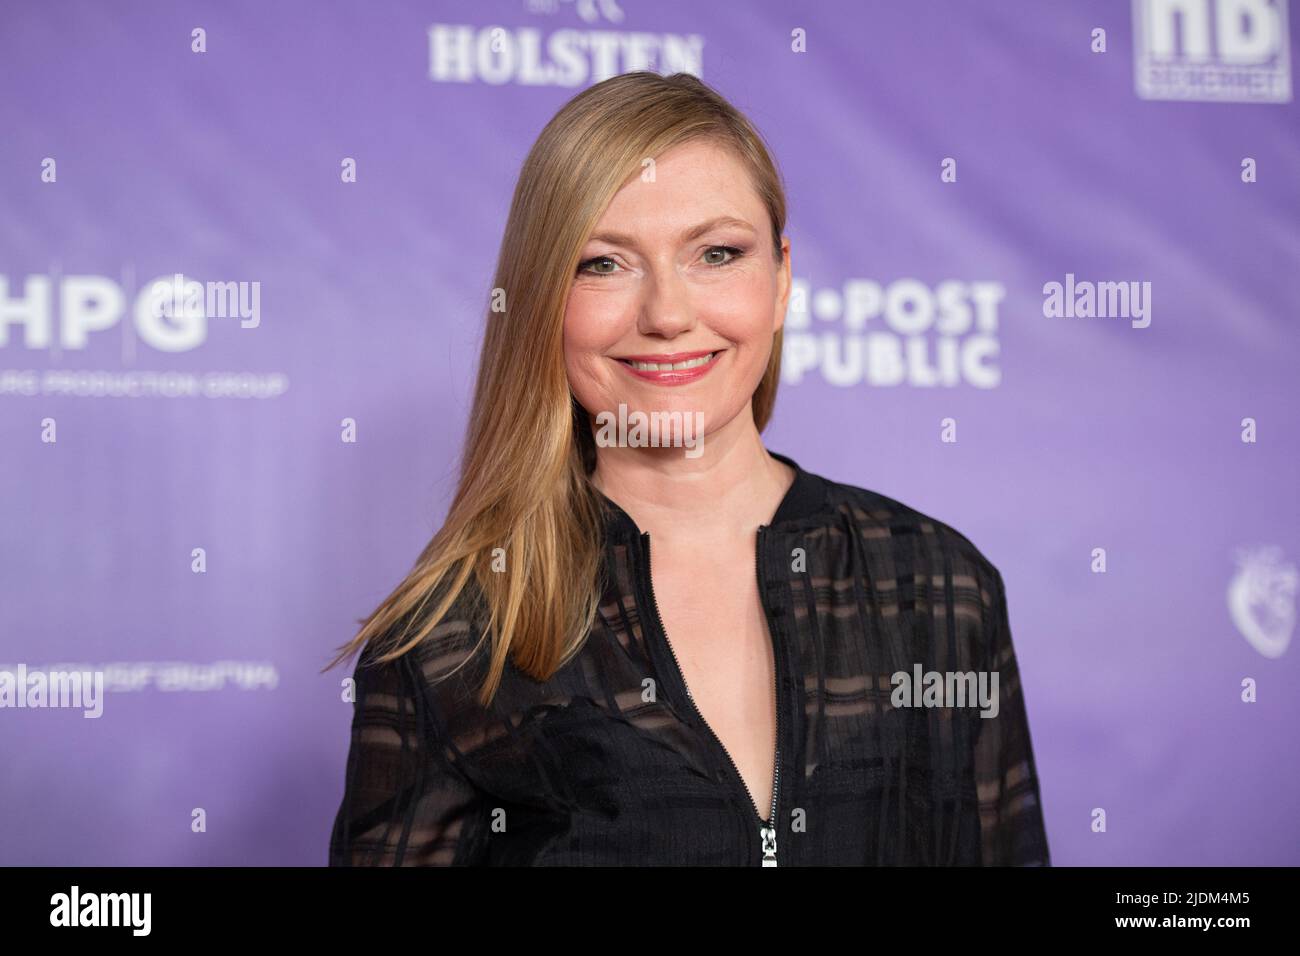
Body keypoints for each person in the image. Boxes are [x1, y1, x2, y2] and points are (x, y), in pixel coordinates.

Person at [324, 70, 1049, 866]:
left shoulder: (940, 585)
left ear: (780, 281)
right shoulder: (450, 640)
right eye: (603, 263)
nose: (667, 314)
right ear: (537, 299)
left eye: (716, 253)